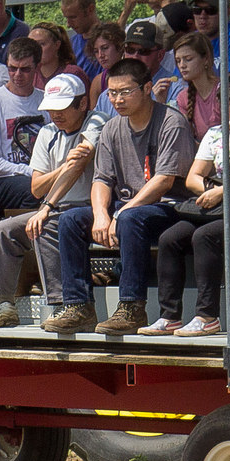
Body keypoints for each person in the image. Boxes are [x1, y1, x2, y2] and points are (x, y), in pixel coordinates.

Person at [44, 58, 195, 335]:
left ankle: (131, 307)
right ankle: (78, 306)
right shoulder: (113, 127)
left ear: (147, 87)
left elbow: (164, 180)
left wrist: (121, 213)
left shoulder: (171, 122)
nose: (117, 99)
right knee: (71, 220)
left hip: (169, 206)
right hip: (126, 205)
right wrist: (102, 215)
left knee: (130, 219)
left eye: (125, 92)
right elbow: (102, 178)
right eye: (112, 93)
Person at [141, 75, 230, 337]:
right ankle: (169, 316)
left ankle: (207, 316)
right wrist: (213, 193)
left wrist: (226, 190)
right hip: (218, 205)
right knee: (170, 238)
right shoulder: (215, 133)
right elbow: (194, 176)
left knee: (205, 237)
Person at [0, 73, 97, 328]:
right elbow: (36, 187)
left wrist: (47, 206)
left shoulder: (96, 121)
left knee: (46, 225)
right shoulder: (47, 132)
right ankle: (1, 303)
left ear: (83, 103)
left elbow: (79, 167)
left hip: (90, 207)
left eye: (62, 107)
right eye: (51, 108)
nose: (56, 114)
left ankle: (62, 304)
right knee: (5, 229)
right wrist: (63, 167)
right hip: (55, 207)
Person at [0, 37, 46, 211]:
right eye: (12, 69)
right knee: (33, 190)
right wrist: (29, 171)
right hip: (0, 180)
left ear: (37, 68)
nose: (17, 75)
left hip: (40, 173)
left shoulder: (45, 100)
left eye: (25, 69)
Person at [164, 32, 221, 136]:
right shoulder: (183, 97)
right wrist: (161, 101)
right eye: (178, 60)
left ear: (206, 59)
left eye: (188, 59)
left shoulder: (223, 90)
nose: (182, 65)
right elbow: (183, 138)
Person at [60, 0, 105, 84]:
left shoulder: (111, 40)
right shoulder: (71, 45)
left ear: (90, 9)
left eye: (73, 17)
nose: (68, 24)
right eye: (66, 18)